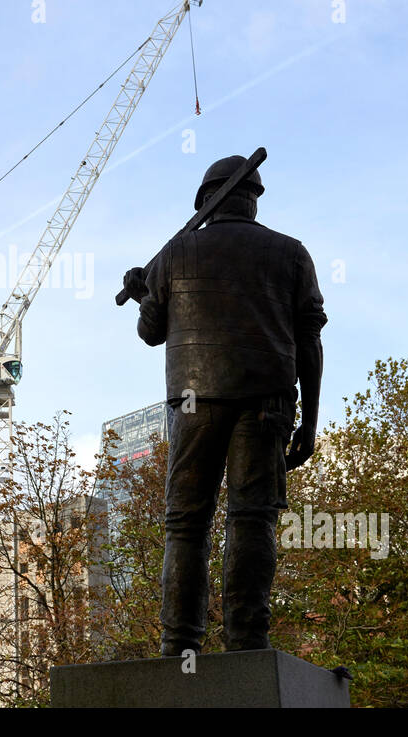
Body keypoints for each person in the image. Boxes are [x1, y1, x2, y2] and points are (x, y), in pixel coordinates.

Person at [122, 154, 327, 655]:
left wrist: (142, 289)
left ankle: (179, 646)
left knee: (186, 522)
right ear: (252, 199)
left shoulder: (176, 253)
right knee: (252, 519)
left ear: (205, 202)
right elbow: (311, 344)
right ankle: (246, 644)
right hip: (266, 403)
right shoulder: (291, 253)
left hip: (194, 403)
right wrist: (310, 422)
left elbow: (150, 333)